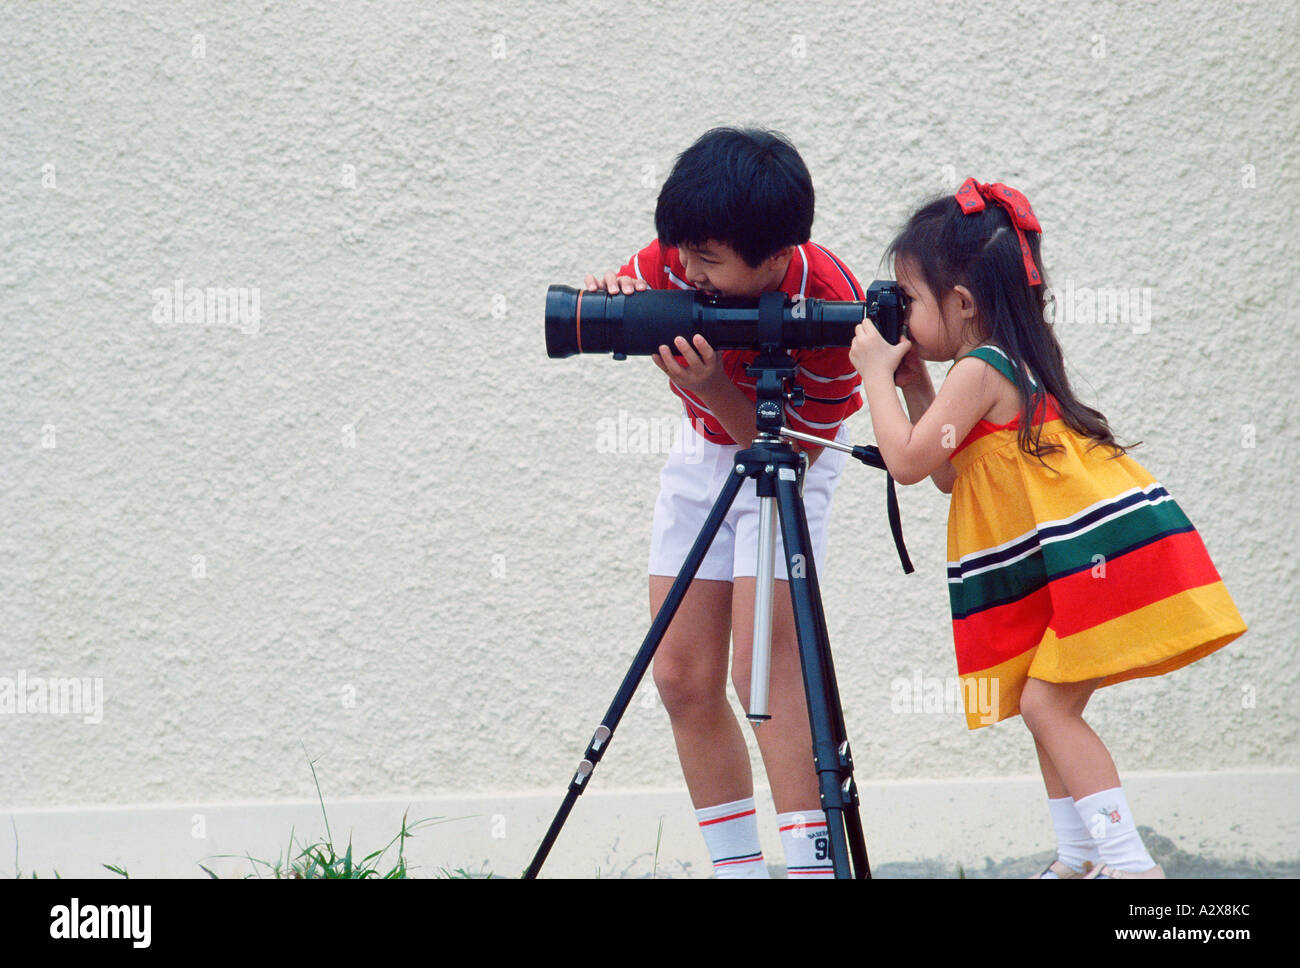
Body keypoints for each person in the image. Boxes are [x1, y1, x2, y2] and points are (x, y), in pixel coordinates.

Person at [848, 179, 1247, 879]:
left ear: (962, 304)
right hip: (1090, 559)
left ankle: (1129, 865)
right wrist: (913, 385)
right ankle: (1081, 856)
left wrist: (872, 376)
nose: (900, 316)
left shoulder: (979, 368)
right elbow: (949, 474)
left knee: (1046, 706)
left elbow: (908, 463)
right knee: (1044, 704)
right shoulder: (994, 363)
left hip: (1097, 560)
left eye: (909, 299)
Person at [584, 127, 865, 878]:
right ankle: (737, 870)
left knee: (764, 677)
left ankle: (810, 866)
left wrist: (710, 386)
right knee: (680, 674)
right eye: (680, 251)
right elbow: (640, 280)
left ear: (774, 258)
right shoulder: (672, 259)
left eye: (708, 260)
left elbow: (789, 460)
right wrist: (620, 303)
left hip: (788, 461)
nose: (684, 269)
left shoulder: (833, 307)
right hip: (700, 454)